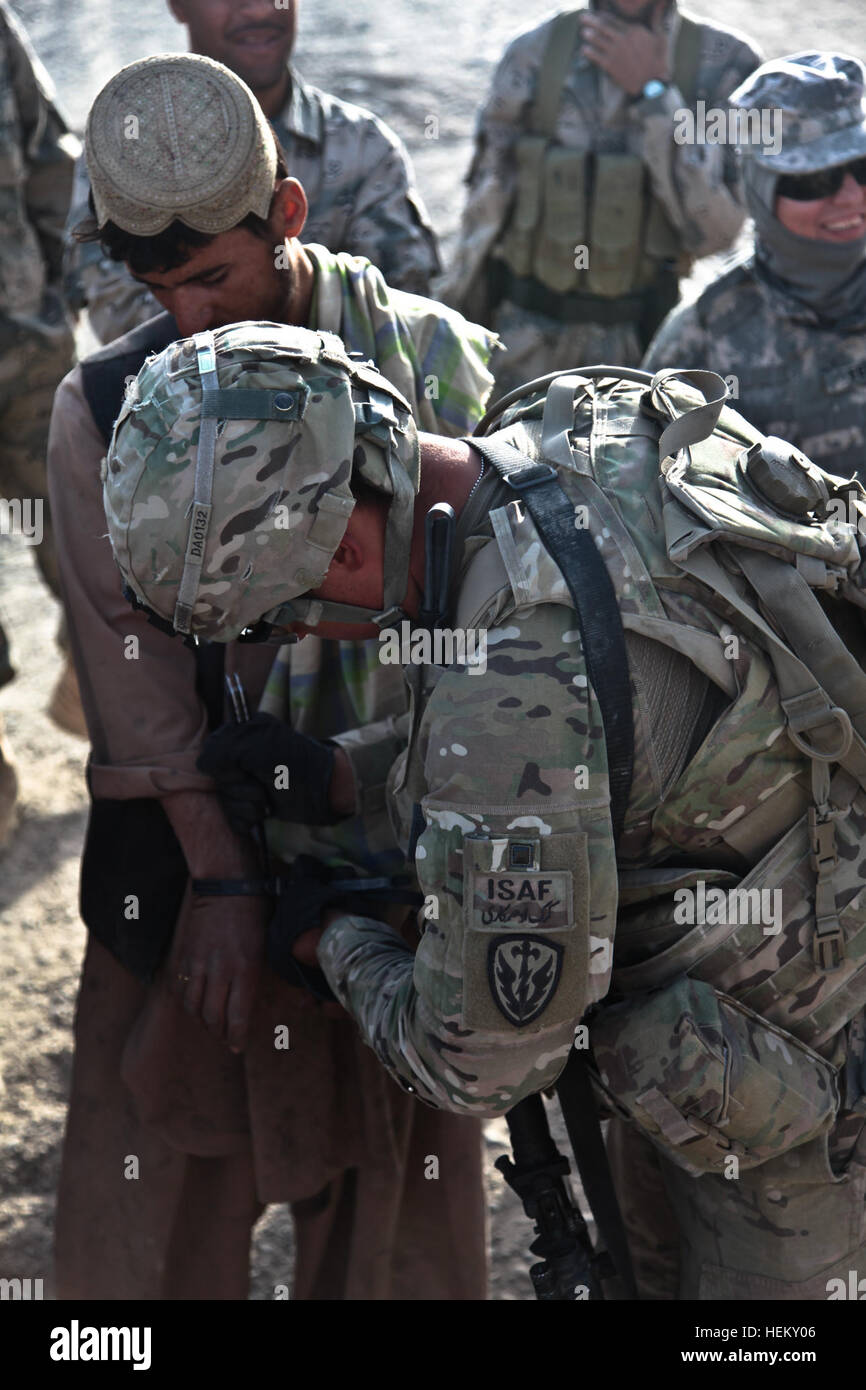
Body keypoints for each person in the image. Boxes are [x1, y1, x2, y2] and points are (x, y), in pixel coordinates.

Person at [105, 323, 866, 1301]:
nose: (290, 636)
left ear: (338, 544)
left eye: (274, 615)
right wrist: (342, 778)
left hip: (796, 1083)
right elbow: (619, 735)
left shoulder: (511, 671)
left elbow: (483, 1058)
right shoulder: (566, 427)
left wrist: (327, 941)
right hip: (752, 977)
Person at [49, 54, 497, 1301]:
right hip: (188, 862)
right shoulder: (102, 408)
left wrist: (377, 814)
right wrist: (228, 879)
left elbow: (493, 642)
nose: (190, 320)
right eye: (157, 288)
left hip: (403, 859)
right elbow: (132, 677)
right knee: (143, 1219)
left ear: (286, 216)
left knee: (400, 1230)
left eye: (214, 277)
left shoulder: (435, 376)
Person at [64, 0, 440, 344]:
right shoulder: (122, 163)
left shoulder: (365, 149)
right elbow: (119, 317)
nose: (258, 9)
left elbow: (396, 323)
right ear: (179, 5)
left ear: (290, 208)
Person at [438, 0, 761, 395]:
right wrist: (452, 331)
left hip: (647, 360)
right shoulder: (534, 52)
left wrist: (655, 93)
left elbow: (716, 234)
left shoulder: (728, 66)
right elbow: (483, 219)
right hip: (521, 351)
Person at [644, 52, 866, 480]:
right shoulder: (702, 339)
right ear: (760, 191)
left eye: (862, 169)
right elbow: (652, 499)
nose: (851, 197)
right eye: (815, 180)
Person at [0, 0, 82, 843]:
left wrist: (56, 292)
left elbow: (53, 156)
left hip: (26, 347)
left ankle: (88, 689)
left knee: (84, 542)